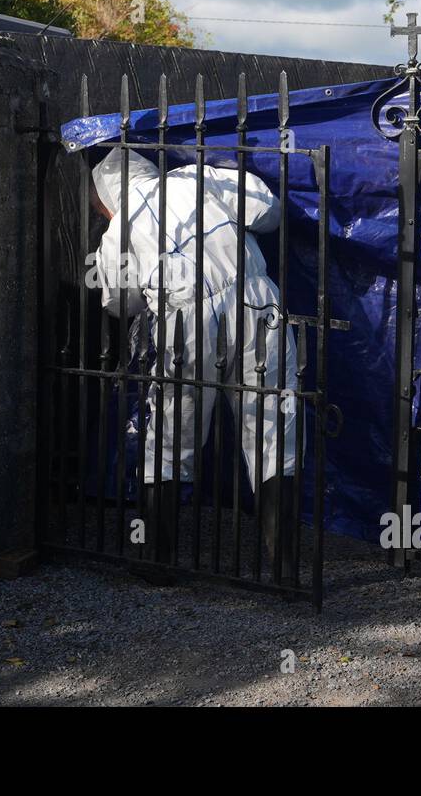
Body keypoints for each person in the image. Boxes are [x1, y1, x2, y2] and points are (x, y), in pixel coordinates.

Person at [89, 147, 298, 577]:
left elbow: (118, 303)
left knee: (169, 436)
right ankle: (286, 568)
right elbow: (268, 212)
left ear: (107, 196)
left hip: (182, 318)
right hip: (256, 301)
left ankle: (156, 561)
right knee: (273, 429)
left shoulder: (119, 228)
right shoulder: (194, 176)